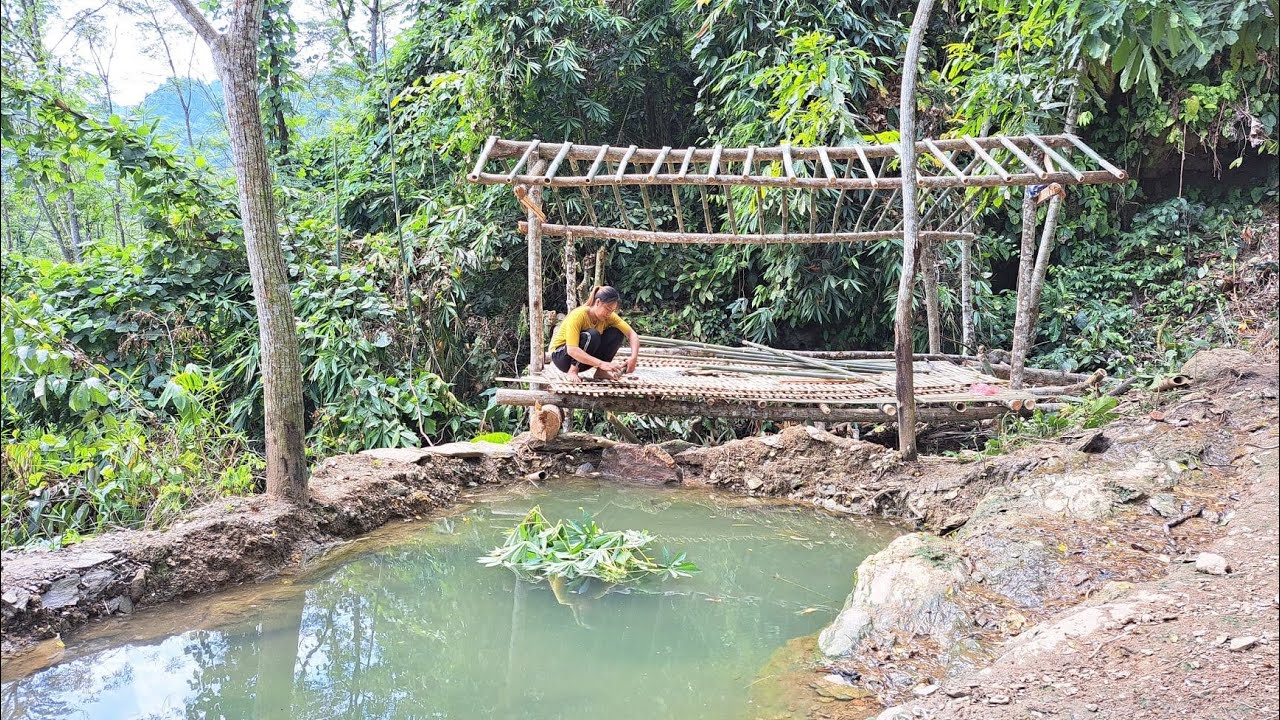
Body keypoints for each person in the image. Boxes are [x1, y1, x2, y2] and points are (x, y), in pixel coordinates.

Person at [548, 285, 640, 381]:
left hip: (585, 362)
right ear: (598, 302)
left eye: (612, 311)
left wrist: (633, 358)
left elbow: (632, 334)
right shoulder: (579, 315)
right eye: (607, 309)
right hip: (563, 358)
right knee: (592, 334)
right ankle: (572, 371)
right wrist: (601, 363)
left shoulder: (609, 317)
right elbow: (571, 349)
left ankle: (601, 372)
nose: (609, 314)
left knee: (617, 333)